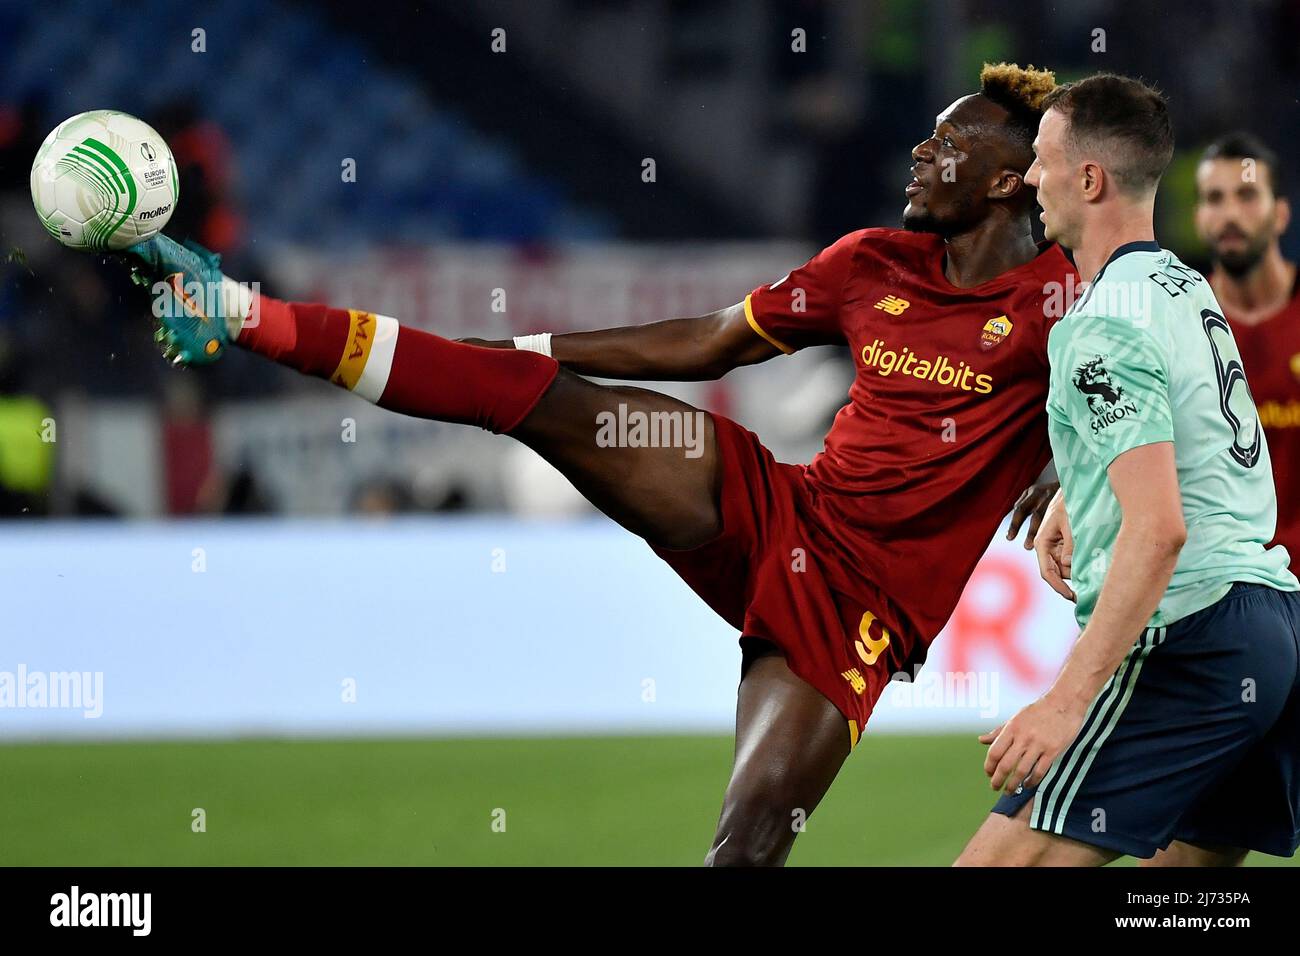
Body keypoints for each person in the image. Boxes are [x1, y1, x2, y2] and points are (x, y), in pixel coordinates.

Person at [125, 64, 1072, 866]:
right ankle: (246, 315)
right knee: (519, 391)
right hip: (769, 509)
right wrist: (530, 347)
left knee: (744, 849)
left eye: (947, 145)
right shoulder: (872, 263)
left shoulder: (1068, 299)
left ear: (1003, 182)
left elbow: (1148, 401)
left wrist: (1068, 464)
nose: (919, 153)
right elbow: (708, 341)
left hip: (859, 611)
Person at [958, 73, 1300, 867]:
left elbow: (1158, 531)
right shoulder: (1185, 288)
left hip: (1193, 636)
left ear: (1090, 178)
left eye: (1042, 160)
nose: (1030, 179)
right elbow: (1190, 436)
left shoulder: (1103, 324)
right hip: (1272, 630)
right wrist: (1083, 494)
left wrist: (1062, 704)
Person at [1195, 132, 1300, 563]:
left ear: (1280, 214)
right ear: (1199, 216)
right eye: (1215, 198)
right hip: (1223, 590)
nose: (1230, 214)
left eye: (1247, 195)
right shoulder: (1179, 321)